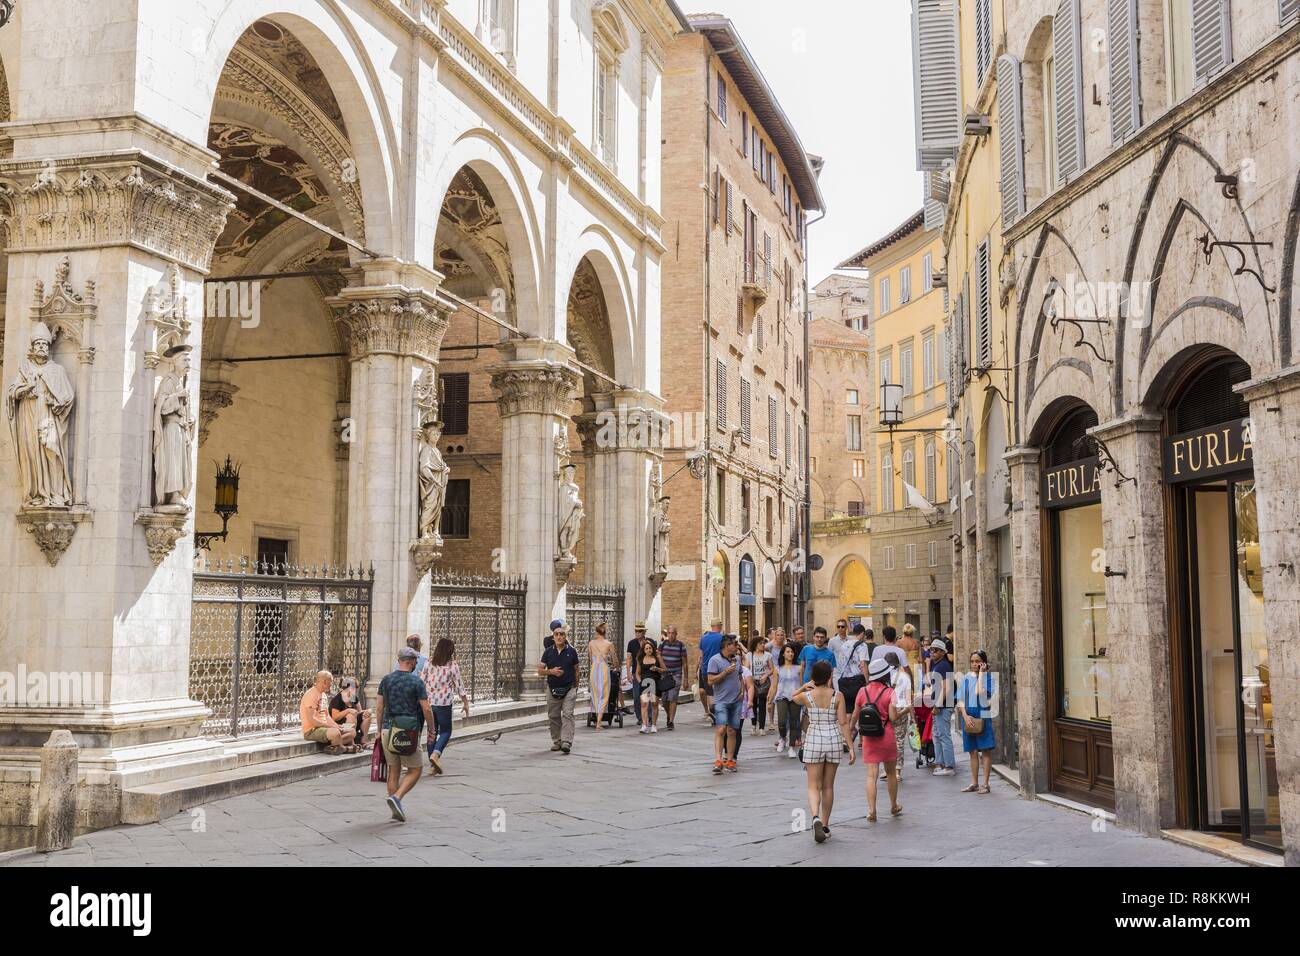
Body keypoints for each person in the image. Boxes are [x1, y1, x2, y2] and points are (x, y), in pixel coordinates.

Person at [793, 660, 854, 843]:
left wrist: (804, 685)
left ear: (814, 676)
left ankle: (815, 817)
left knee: (813, 785)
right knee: (828, 786)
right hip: (833, 739)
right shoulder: (838, 696)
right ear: (829, 677)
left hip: (814, 739)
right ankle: (826, 825)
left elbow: (792, 696)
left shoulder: (807, 696)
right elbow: (843, 722)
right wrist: (850, 747)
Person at [376, 648, 433, 822]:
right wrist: (432, 729)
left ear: (399, 660)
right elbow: (426, 708)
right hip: (408, 730)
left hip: (387, 728)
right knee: (416, 769)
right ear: (412, 662)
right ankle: (397, 798)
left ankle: (395, 809)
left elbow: (379, 708)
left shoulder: (386, 680)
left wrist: (378, 730)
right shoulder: (416, 682)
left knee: (394, 770)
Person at [850, 657, 903, 822]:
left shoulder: (862, 691)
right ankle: (893, 805)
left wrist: (851, 728)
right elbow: (893, 717)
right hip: (886, 736)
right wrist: (905, 712)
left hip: (869, 738)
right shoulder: (889, 692)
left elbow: (855, 714)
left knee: (871, 776)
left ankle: (871, 811)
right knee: (891, 773)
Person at [419, 637, 470, 774]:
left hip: (429, 703)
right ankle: (435, 754)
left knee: (431, 732)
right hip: (444, 703)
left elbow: (421, 681)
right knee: (446, 731)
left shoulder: (428, 663)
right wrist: (465, 702)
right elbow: (459, 685)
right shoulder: (452, 665)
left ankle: (432, 767)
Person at [958, 649, 996, 793]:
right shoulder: (966, 678)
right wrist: (964, 716)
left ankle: (985, 784)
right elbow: (960, 699)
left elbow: (980, 693)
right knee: (972, 751)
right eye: (972, 661)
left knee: (985, 751)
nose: (974, 664)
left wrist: (981, 674)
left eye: (977, 661)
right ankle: (974, 782)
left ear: (983, 663)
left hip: (983, 716)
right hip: (968, 718)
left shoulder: (989, 679)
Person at [539, 625, 580, 754]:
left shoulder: (572, 651)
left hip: (569, 688)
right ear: (553, 637)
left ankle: (567, 742)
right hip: (552, 688)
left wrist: (575, 686)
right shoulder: (548, 652)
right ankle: (557, 741)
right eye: (556, 635)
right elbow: (540, 670)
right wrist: (551, 671)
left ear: (565, 637)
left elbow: (577, 669)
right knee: (553, 716)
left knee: (568, 714)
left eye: (562, 634)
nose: (559, 637)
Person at [707, 634, 743, 773]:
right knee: (721, 730)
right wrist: (725, 673)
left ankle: (730, 760)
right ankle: (718, 760)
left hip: (736, 700)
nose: (736, 646)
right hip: (721, 700)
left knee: (733, 730)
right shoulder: (714, 660)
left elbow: (741, 676)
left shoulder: (737, 659)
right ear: (727, 646)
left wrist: (742, 691)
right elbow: (710, 680)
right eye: (734, 644)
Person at [300, 670, 355, 753]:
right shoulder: (311, 695)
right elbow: (312, 720)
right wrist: (331, 727)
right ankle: (345, 748)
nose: (332, 684)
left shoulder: (323, 695)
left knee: (351, 731)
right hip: (312, 730)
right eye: (331, 681)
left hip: (324, 728)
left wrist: (336, 725)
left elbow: (327, 716)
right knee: (335, 733)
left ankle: (334, 746)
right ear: (325, 682)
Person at [832, 623, 871, 738]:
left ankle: (845, 737)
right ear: (862, 633)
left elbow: (840, 663)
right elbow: (863, 664)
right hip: (857, 680)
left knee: (848, 709)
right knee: (861, 708)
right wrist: (867, 680)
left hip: (845, 681)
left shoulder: (845, 645)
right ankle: (861, 739)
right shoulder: (862, 645)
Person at [926, 639, 957, 775]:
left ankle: (949, 766)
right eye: (931, 649)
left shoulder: (943, 666)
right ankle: (940, 763)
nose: (933, 652)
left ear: (943, 652)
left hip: (943, 706)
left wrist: (938, 704)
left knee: (943, 735)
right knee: (937, 735)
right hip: (940, 705)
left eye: (936, 650)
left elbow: (946, 688)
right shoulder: (937, 665)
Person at [882, 651, 913, 781]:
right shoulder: (905, 676)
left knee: (886, 741)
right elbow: (908, 698)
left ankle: (887, 769)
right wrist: (912, 716)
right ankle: (897, 771)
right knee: (899, 742)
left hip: (886, 709)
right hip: (900, 708)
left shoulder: (883, 676)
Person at [772, 643, 802, 759]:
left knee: (794, 722)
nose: (790, 654)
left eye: (792, 652)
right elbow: (774, 685)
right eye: (788, 652)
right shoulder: (777, 668)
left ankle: (791, 747)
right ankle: (783, 737)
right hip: (781, 696)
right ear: (783, 654)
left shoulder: (799, 668)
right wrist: (770, 698)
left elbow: (801, 684)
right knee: (781, 722)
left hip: (795, 696)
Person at [586, 621, 617, 731]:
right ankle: (599, 723)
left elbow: (590, 659)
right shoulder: (609, 644)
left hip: (594, 669)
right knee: (604, 694)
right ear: (605, 632)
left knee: (595, 694)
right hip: (604, 669)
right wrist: (616, 667)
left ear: (596, 632)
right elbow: (615, 660)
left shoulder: (591, 643)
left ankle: (597, 720)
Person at [627, 621, 657, 731]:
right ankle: (640, 717)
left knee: (649, 697)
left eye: (639, 631)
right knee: (636, 697)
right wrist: (629, 672)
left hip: (650, 674)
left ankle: (649, 718)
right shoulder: (631, 643)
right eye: (636, 631)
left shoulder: (651, 642)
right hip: (637, 673)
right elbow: (629, 658)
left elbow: (656, 656)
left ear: (644, 632)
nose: (637, 633)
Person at [329, 676, 371, 750]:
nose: (355, 690)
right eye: (354, 688)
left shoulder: (353, 697)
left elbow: (359, 712)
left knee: (367, 716)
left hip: (353, 724)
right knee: (350, 716)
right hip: (340, 726)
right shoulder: (337, 699)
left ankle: (363, 741)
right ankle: (351, 742)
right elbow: (334, 717)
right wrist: (348, 711)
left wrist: (367, 712)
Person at [636, 634, 666, 734]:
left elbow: (664, 671)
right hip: (645, 683)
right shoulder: (641, 659)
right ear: (644, 650)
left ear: (652, 649)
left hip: (655, 683)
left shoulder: (657, 658)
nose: (648, 650)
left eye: (650, 648)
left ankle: (653, 724)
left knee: (654, 704)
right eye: (646, 648)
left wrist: (657, 669)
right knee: (644, 704)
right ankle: (644, 725)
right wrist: (640, 681)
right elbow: (637, 673)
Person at [659, 625, 687, 729]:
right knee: (665, 700)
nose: (671, 635)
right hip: (664, 676)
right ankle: (668, 715)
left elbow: (685, 663)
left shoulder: (681, 645)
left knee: (672, 698)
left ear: (676, 634)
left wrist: (686, 679)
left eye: (673, 633)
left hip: (676, 675)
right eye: (669, 633)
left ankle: (671, 721)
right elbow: (658, 656)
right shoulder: (663, 644)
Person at [698, 617, 725, 723]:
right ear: (719, 626)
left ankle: (712, 714)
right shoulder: (722, 638)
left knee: (710, 693)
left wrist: (700, 668)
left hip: (706, 669)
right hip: (719, 669)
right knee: (719, 693)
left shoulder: (703, 638)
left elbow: (701, 655)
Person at [749, 635, 772, 735]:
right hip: (752, 682)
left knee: (762, 705)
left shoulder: (767, 655)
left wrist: (766, 675)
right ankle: (753, 726)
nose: (763, 645)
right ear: (755, 645)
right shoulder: (749, 655)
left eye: (764, 643)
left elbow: (772, 669)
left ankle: (762, 727)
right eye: (760, 643)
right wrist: (750, 679)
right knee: (753, 704)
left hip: (763, 683)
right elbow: (745, 669)